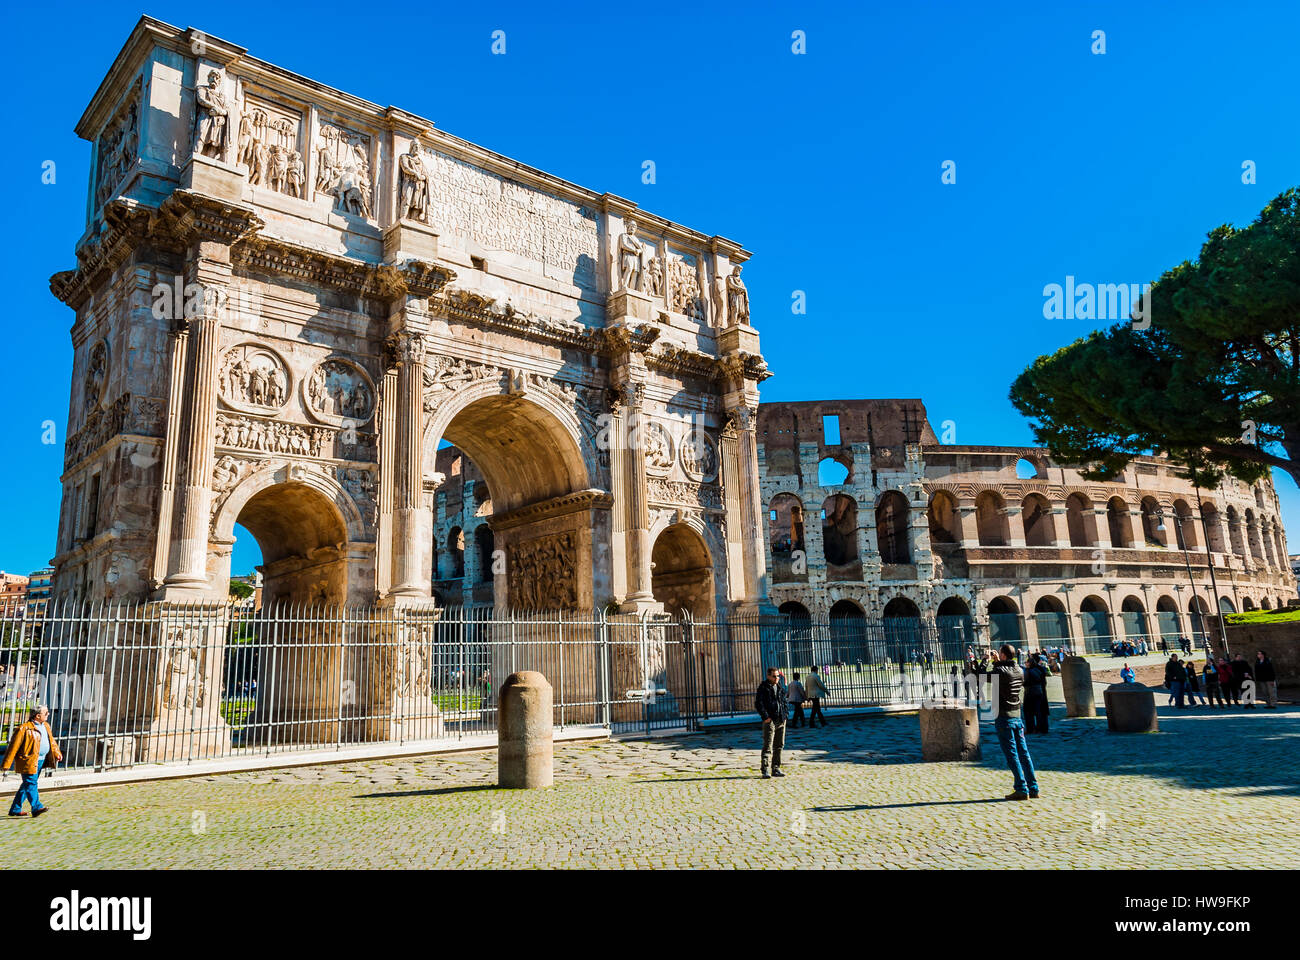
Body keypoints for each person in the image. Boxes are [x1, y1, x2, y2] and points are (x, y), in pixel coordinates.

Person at [990, 644, 1039, 800]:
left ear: (1003, 655)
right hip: (1017, 716)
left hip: (1004, 716)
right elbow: (1006, 672)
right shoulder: (1019, 670)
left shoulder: (999, 671)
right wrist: (999, 662)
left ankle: (1021, 788)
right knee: (1024, 753)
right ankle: (1033, 788)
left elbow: (982, 676)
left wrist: (987, 661)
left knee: (1012, 755)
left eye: (999, 654)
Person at [2, 705, 61, 818]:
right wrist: (6, 763)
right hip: (28, 761)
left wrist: (57, 753)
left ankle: (15, 809)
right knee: (31, 784)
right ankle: (36, 807)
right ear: (38, 716)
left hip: (41, 760)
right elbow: (13, 747)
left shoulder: (46, 726)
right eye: (46, 713)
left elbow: (51, 741)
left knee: (27, 785)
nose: (48, 714)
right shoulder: (23, 728)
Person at [754, 667, 788, 778]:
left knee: (779, 745)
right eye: (774, 676)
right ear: (768, 676)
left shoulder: (779, 687)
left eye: (778, 676)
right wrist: (765, 717)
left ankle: (776, 768)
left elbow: (784, 702)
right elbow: (759, 703)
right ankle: (765, 769)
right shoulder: (763, 688)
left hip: (781, 719)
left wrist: (785, 715)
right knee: (767, 746)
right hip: (770, 720)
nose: (776, 678)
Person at [1023, 653, 1050, 734]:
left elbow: (1025, 682)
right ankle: (1042, 728)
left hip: (1031, 692)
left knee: (1028, 711)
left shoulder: (1029, 670)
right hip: (1041, 692)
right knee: (1041, 711)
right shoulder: (1041, 669)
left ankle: (1031, 729)